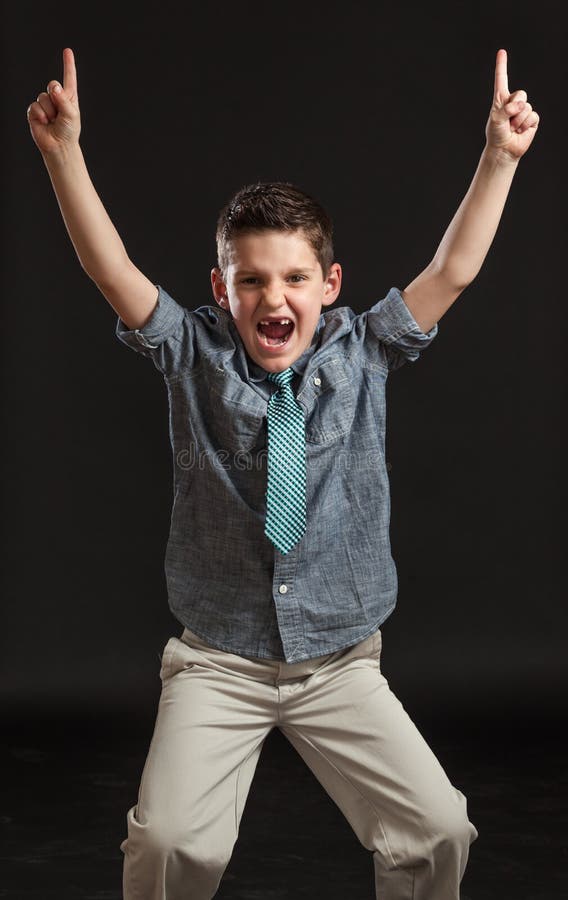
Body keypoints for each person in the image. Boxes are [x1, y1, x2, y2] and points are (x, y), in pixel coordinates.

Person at [27, 46, 539, 900]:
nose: (276, 298)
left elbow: (453, 270)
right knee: (170, 847)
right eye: (252, 280)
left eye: (296, 278)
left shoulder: (365, 351)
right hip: (217, 660)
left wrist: (498, 158)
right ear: (222, 293)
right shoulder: (191, 353)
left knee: (439, 831)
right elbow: (109, 269)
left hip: (340, 661)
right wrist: (63, 154)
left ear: (329, 284)